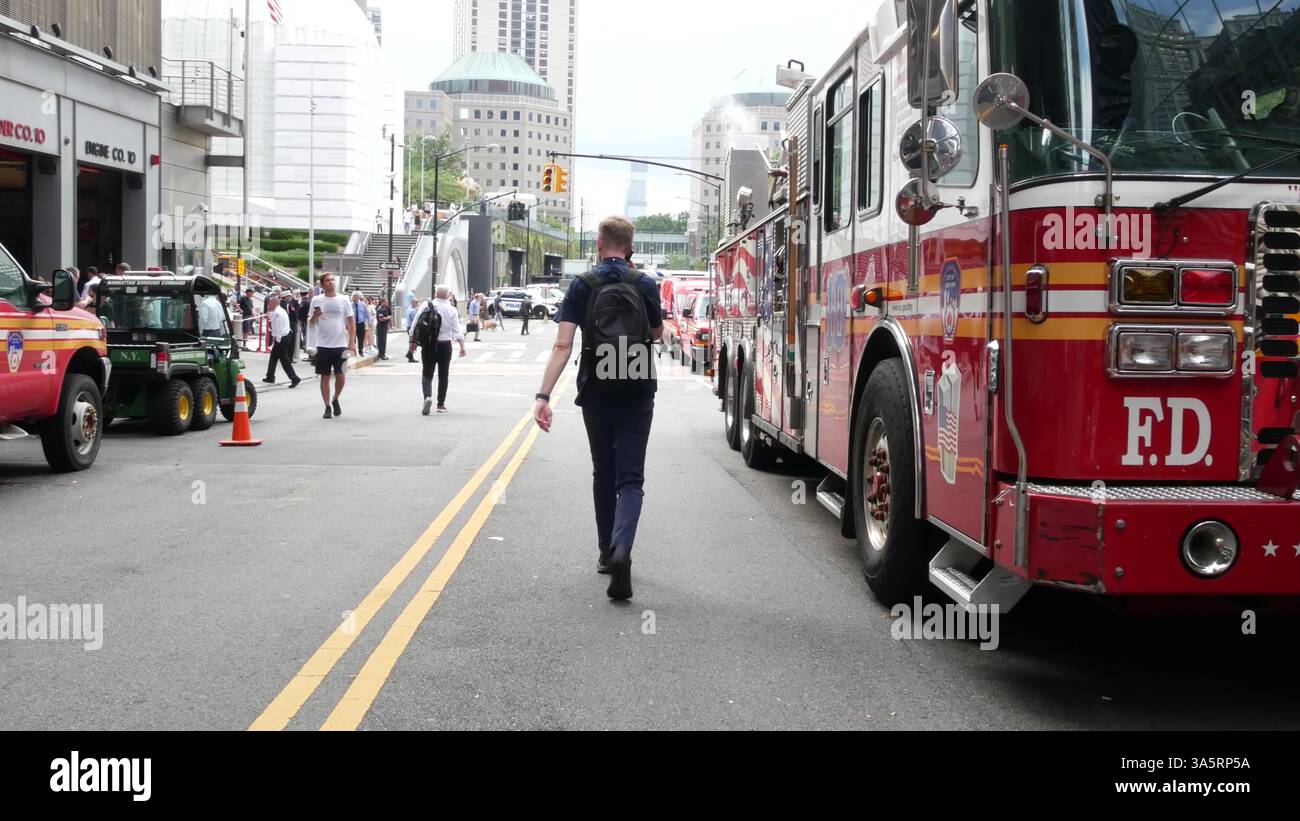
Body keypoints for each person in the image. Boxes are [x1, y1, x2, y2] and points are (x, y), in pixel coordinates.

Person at [533, 216, 663, 601]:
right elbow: (656, 334)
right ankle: (624, 547)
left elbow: (562, 346)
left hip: (596, 388)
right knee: (631, 479)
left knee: (603, 470)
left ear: (599, 242)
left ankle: (607, 552)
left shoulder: (582, 285)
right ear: (630, 245)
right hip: (637, 385)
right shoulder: (644, 284)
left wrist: (543, 396)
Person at [410, 286, 467, 416]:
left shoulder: (426, 305)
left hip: (429, 344)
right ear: (448, 296)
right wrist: (462, 346)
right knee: (443, 375)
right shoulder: (452, 309)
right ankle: (440, 404)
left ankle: (427, 397)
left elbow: (415, 323)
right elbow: (457, 330)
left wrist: (412, 341)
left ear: (436, 294)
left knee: (427, 373)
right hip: (445, 345)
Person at [309, 273, 356, 419]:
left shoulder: (343, 299)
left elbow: (351, 322)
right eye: (327, 281)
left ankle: (335, 398)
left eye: (332, 280)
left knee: (341, 375)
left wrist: (351, 343)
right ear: (322, 285)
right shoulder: (316, 300)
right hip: (322, 344)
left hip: (340, 344)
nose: (331, 283)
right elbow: (310, 322)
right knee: (324, 376)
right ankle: (327, 406)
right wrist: (316, 315)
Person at [264, 295, 302, 389]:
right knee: (274, 356)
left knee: (284, 359)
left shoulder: (278, 313)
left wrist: (277, 340)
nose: (268, 304)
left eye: (270, 303)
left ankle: (294, 378)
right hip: (282, 337)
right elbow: (271, 318)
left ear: (275, 303)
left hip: (282, 337)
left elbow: (279, 328)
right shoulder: (278, 311)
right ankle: (270, 376)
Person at [352, 291, 371, 356]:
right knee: (353, 339)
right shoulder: (351, 305)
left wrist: (369, 322)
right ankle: (353, 352)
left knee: (361, 338)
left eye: (355, 297)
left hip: (361, 324)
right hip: (353, 324)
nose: (353, 299)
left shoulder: (363, 304)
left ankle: (360, 352)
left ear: (358, 297)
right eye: (353, 297)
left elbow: (367, 314)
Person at [406, 298, 421, 362]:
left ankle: (410, 354)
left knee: (413, 342)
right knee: (415, 342)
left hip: (409, 327)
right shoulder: (412, 311)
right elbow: (416, 320)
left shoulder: (409, 309)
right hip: (412, 327)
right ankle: (409, 354)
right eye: (416, 302)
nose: (417, 303)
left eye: (417, 302)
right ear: (412, 302)